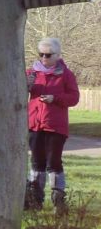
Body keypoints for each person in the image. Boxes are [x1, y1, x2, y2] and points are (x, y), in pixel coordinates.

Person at [26, 37, 80, 212]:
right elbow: (17, 93)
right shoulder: (31, 73)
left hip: (56, 126)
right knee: (36, 162)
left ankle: (58, 200)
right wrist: (25, 85)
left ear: (57, 55)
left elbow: (74, 98)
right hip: (34, 124)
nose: (43, 58)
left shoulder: (66, 74)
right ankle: (35, 200)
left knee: (53, 162)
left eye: (48, 55)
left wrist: (54, 99)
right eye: (40, 54)